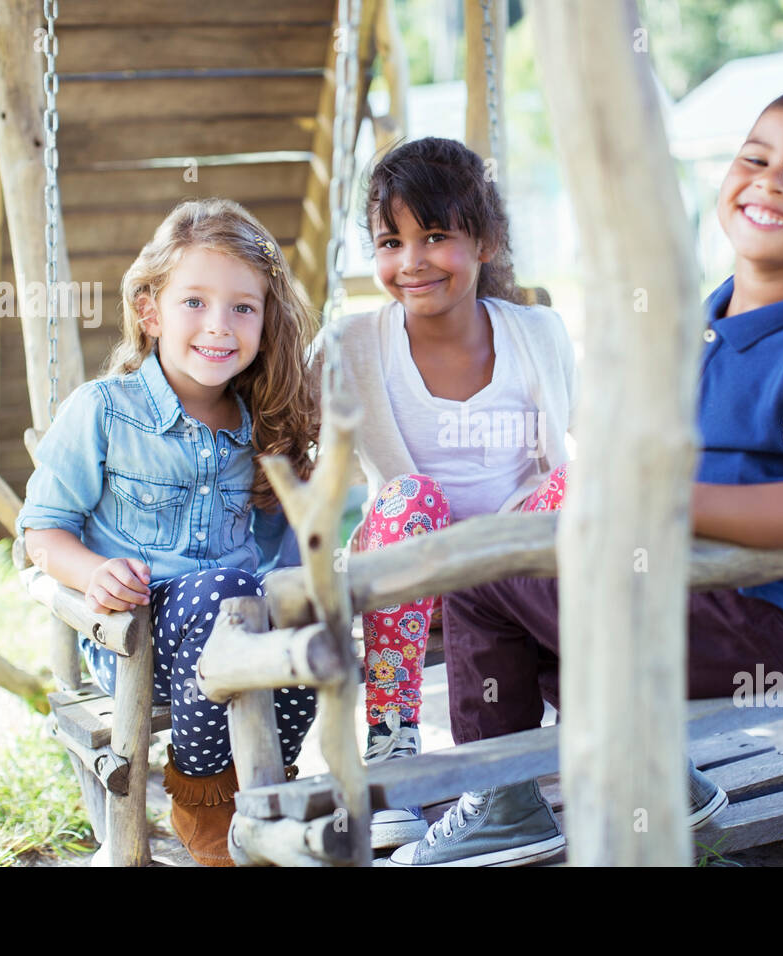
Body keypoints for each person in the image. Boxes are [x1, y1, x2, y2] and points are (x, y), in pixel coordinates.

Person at [389, 87, 783, 866]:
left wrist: (664, 501)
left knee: (484, 570)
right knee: (531, 621)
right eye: (756, 159)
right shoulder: (708, 324)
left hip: (758, 623)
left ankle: (502, 801)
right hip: (684, 598)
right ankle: (659, 778)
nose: (770, 182)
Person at [15, 198, 320, 866]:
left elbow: (284, 551)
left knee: (301, 619)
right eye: (195, 303)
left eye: (244, 307)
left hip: (240, 626)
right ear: (150, 311)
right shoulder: (103, 411)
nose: (219, 326)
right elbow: (41, 532)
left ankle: (266, 789)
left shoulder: (261, 423)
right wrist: (93, 572)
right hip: (139, 642)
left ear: (267, 322)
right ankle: (205, 803)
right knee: (223, 593)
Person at [317, 137, 576, 850]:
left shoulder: (537, 334)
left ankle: (596, 715)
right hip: (410, 559)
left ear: (486, 240)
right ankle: (394, 742)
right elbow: (305, 462)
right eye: (390, 241)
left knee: (580, 484)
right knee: (410, 495)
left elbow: (582, 447)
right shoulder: (352, 345)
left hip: (513, 560)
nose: (411, 262)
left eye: (435, 236)